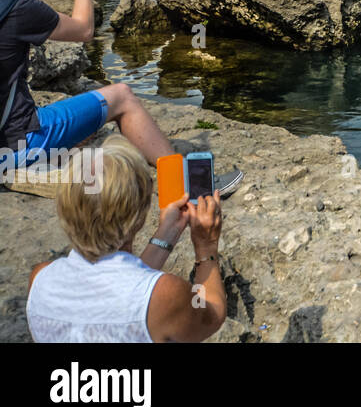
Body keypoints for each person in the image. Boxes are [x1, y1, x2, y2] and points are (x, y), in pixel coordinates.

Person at [0, 0, 240, 193]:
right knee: (122, 97)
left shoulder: (13, 1)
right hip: (18, 142)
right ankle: (187, 186)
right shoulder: (21, 10)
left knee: (83, 132)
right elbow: (85, 29)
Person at [26, 135, 227, 342]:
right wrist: (206, 248)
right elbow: (211, 313)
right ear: (139, 217)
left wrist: (167, 233)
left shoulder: (40, 278)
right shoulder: (166, 294)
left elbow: (116, 290)